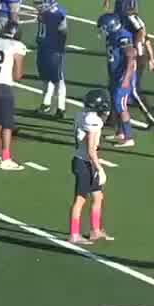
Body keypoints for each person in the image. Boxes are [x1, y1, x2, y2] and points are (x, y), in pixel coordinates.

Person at [0, 18, 28, 169]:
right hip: (3, 87)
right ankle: (6, 157)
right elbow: (17, 76)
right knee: (8, 124)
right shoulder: (17, 46)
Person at [69, 89, 112, 243]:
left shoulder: (81, 115)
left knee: (98, 196)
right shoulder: (94, 120)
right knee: (80, 199)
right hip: (84, 162)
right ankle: (74, 234)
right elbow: (91, 150)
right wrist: (99, 168)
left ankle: (95, 230)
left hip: (84, 160)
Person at [101, 15, 139, 147]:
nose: (102, 30)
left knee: (121, 106)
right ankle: (120, 132)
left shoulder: (123, 36)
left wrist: (127, 77)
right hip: (115, 74)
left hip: (122, 76)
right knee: (116, 104)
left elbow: (130, 56)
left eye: (104, 28)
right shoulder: (112, 35)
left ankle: (128, 137)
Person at [34, 0, 71, 117]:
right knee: (45, 77)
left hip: (54, 50)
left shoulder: (57, 13)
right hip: (43, 48)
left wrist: (58, 46)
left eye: (39, 2)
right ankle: (46, 103)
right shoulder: (45, 12)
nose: (37, 5)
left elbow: (63, 32)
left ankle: (61, 108)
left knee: (57, 79)